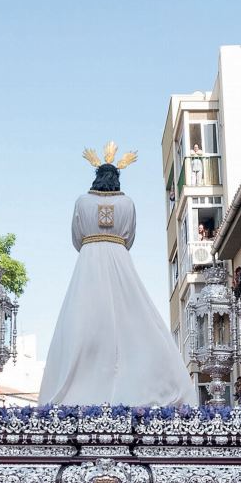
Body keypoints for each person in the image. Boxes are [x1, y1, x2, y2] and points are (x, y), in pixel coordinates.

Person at [38, 145, 195, 406]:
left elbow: (76, 236)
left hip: (88, 261)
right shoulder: (127, 203)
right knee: (133, 320)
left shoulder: (81, 201)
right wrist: (114, 245)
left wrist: (92, 245)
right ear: (117, 177)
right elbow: (129, 236)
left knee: (81, 322)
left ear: (96, 175)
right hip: (120, 259)